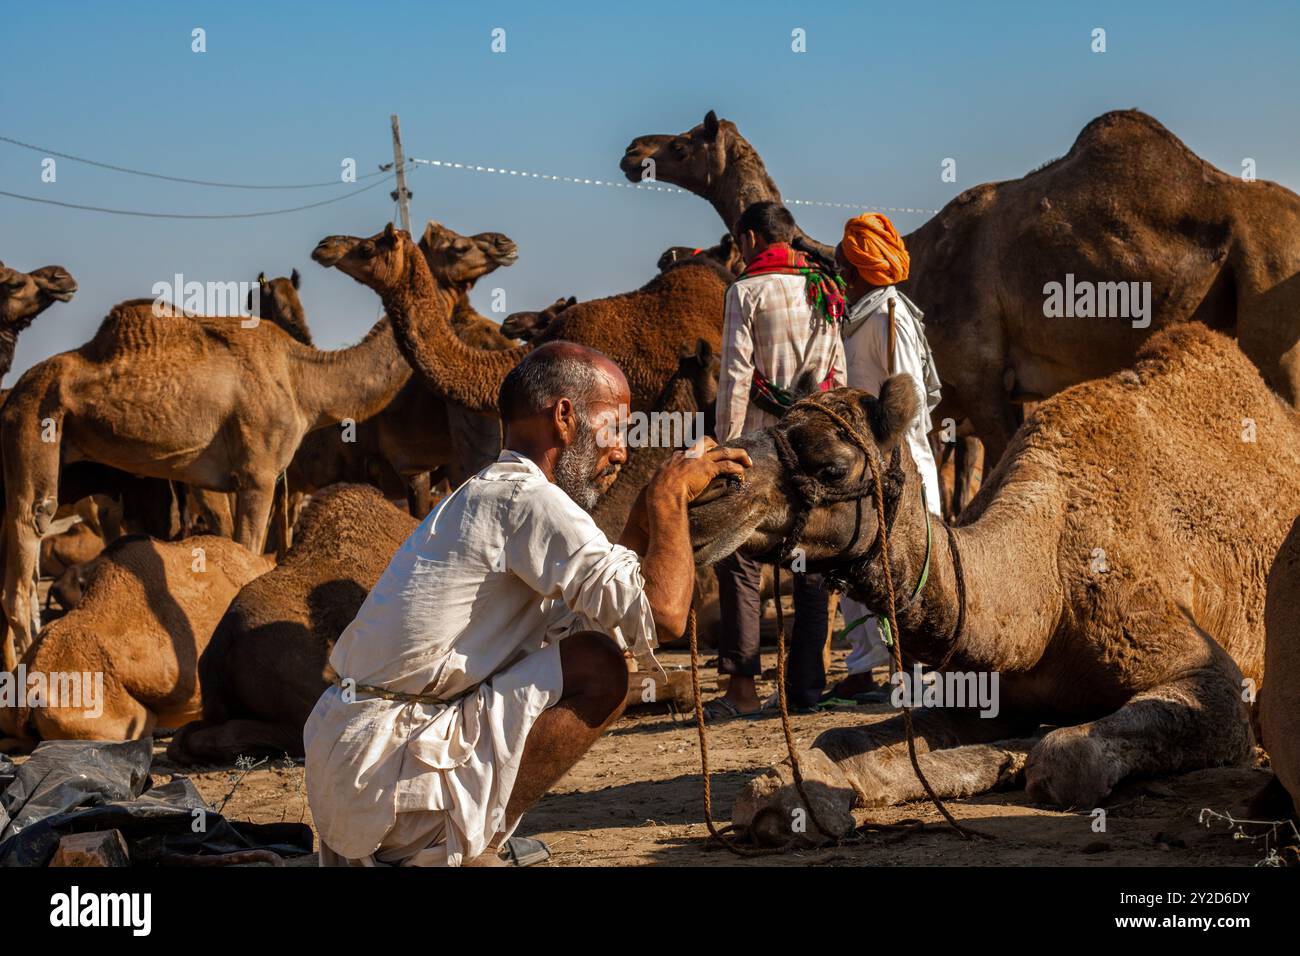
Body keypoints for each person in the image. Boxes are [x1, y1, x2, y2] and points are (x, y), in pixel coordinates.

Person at [303, 341, 751, 866]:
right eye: (613, 428)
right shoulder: (526, 499)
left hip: (352, 769)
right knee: (600, 668)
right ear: (564, 417)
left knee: (592, 647)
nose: (622, 452)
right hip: (382, 777)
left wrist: (638, 525)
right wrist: (668, 499)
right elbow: (663, 614)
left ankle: (451, 837)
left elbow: (603, 615)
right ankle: (459, 845)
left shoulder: (488, 493)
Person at [705, 201, 847, 720]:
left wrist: (725, 451)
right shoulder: (826, 289)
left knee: (739, 558)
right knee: (813, 564)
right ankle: (804, 691)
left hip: (762, 449)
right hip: (815, 447)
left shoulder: (745, 291)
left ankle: (742, 690)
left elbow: (736, 377)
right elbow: (838, 375)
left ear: (747, 240)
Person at [828, 213, 943, 701]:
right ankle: (864, 669)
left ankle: (916, 672)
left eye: (842, 267)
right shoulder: (866, 315)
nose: (838, 277)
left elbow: (906, 398)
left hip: (896, 461)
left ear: (855, 270)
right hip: (866, 460)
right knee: (859, 562)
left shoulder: (886, 316)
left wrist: (892, 457)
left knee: (907, 569)